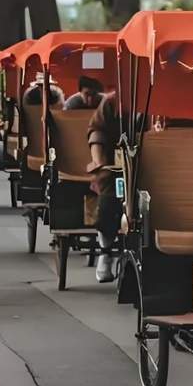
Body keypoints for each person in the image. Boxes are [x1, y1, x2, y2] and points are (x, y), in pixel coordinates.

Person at [86, 92, 124, 283]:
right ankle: (106, 251)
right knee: (110, 195)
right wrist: (99, 162)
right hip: (117, 168)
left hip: (155, 163)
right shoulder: (111, 101)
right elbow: (96, 132)